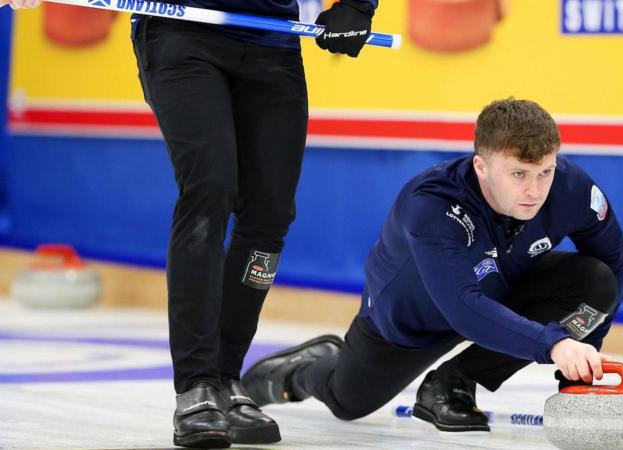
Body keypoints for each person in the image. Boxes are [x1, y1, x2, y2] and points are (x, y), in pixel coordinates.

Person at [2, 0, 379, 447]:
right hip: (181, 31)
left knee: (270, 212)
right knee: (210, 190)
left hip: (272, 39)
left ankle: (225, 378)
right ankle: (196, 386)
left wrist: (357, 5)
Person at [241, 98, 623, 433]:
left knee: (596, 283)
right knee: (349, 402)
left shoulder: (570, 188)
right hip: (413, 321)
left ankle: (454, 382)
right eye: (518, 174)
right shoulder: (431, 205)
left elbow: (613, 260)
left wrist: (582, 365)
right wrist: (554, 344)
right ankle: (301, 370)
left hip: (503, 291)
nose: (534, 190)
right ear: (481, 167)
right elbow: (463, 308)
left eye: (545, 171)